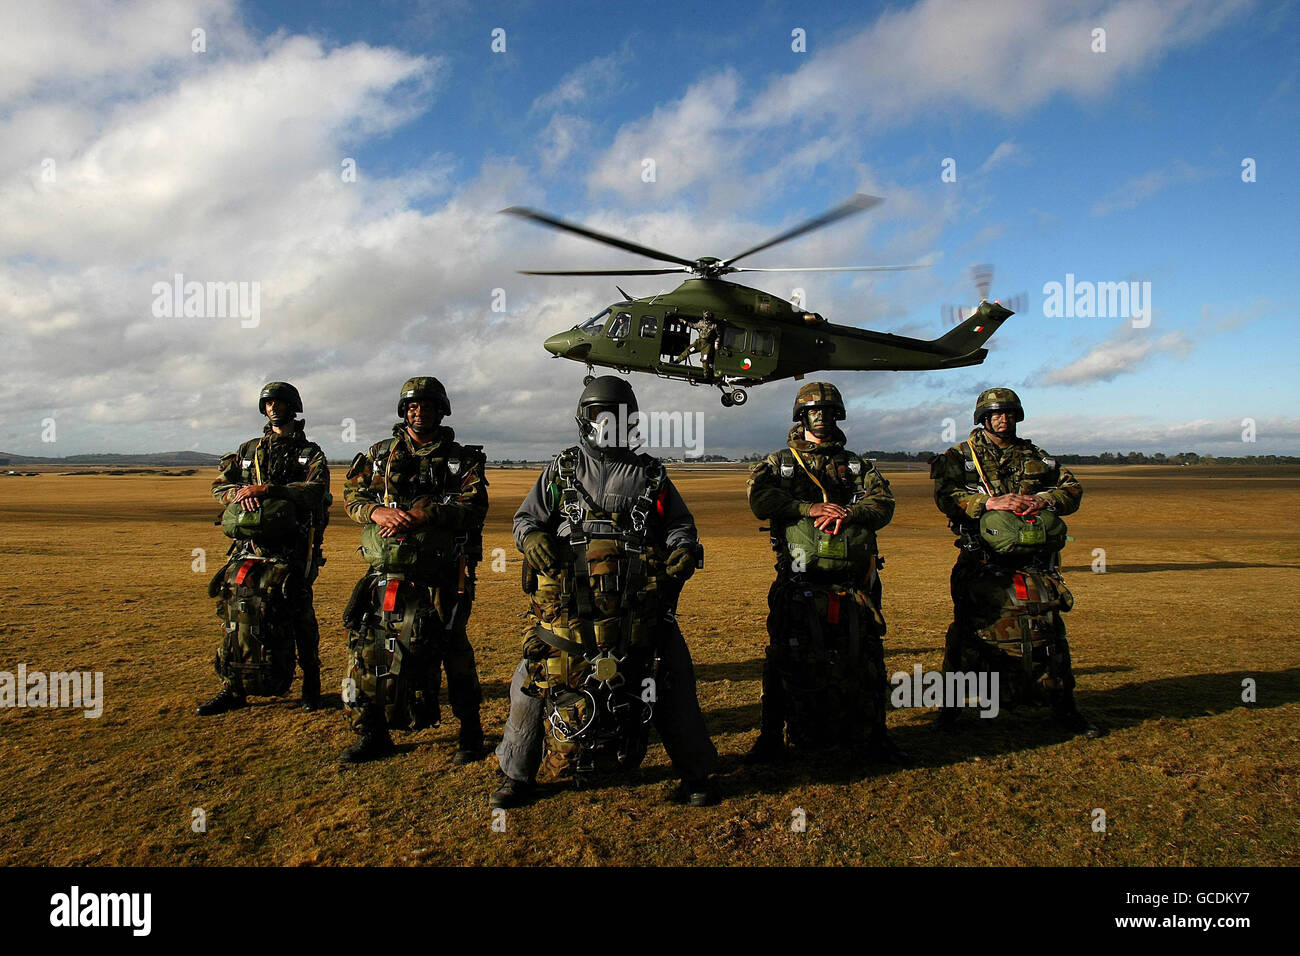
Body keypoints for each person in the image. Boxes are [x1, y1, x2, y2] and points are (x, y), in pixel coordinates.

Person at [490, 375, 719, 808]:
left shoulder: (652, 475)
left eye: (618, 417)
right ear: (584, 421)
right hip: (568, 609)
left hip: (637, 605)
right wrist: (530, 538)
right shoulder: (560, 470)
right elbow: (525, 519)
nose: (608, 425)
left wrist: (683, 548)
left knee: (672, 672)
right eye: (600, 416)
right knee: (532, 677)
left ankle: (697, 775)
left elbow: (678, 525)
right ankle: (516, 775)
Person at [745, 382, 904, 763]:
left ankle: (874, 735)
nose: (823, 417)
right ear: (801, 416)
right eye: (815, 410)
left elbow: (883, 502)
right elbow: (760, 498)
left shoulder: (857, 466)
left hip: (855, 582)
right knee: (784, 655)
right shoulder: (779, 463)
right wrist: (808, 509)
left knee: (865, 655)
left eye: (830, 411)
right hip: (799, 578)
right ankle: (770, 738)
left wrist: (850, 512)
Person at [930, 387, 1098, 736]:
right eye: (996, 414)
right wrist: (986, 505)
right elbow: (946, 495)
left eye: (1009, 413)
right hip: (980, 560)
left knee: (1049, 630)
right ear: (984, 418)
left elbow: (1072, 489)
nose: (1003, 419)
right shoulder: (960, 457)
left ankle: (1064, 708)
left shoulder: (1037, 457)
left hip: (1034, 562)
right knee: (967, 632)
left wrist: (1043, 500)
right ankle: (951, 709)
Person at [339, 376, 488, 763]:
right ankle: (372, 732)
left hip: (444, 571)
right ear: (404, 410)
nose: (418, 411)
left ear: (442, 410)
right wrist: (377, 511)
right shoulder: (379, 454)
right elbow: (352, 494)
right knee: (369, 646)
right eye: (412, 405)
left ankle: (469, 732)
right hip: (387, 567)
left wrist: (425, 516)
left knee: (452, 647)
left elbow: (474, 507)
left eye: (427, 405)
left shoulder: (462, 459)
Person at [201, 381, 330, 715]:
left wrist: (269, 489)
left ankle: (311, 681)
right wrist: (239, 494)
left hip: (293, 548)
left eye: (280, 402)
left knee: (298, 611)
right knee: (235, 610)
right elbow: (220, 486)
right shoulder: (246, 451)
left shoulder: (309, 453)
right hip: (248, 545)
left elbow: (315, 490)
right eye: (268, 403)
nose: (273, 407)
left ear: (293, 406)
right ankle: (233, 687)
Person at [673, 310, 721, 382]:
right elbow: (693, 325)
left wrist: (716, 342)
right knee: (688, 350)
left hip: (707, 345)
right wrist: (684, 322)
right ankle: (676, 362)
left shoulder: (714, 326)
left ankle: (706, 376)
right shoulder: (701, 323)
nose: (707, 320)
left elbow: (719, 335)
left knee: (705, 359)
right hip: (699, 343)